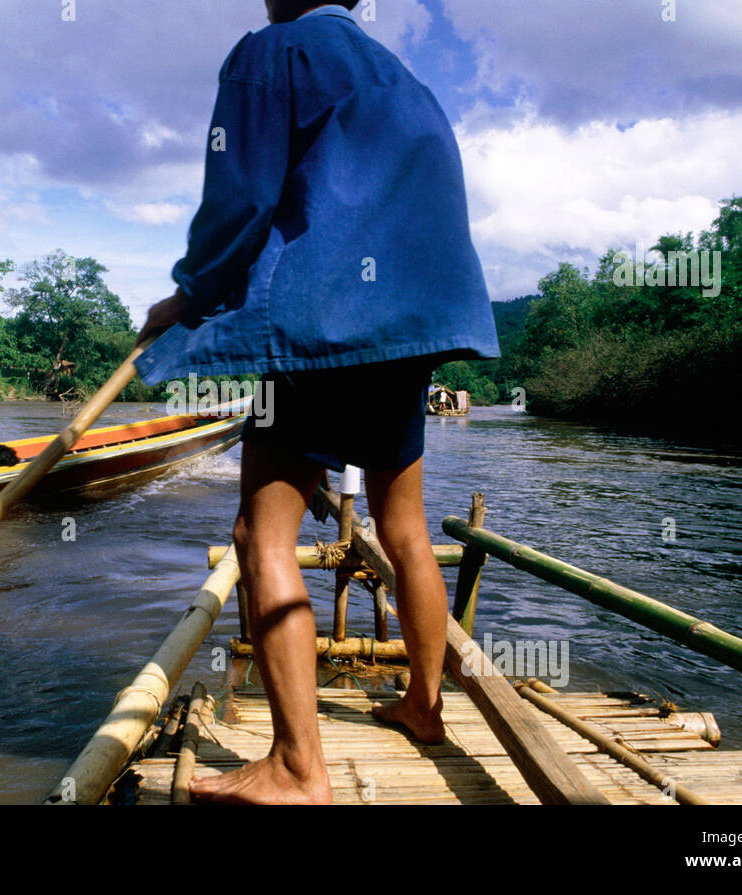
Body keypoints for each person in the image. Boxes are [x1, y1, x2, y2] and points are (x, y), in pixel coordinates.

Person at [135, 1, 499, 803]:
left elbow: (241, 199)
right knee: (403, 525)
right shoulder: (403, 79)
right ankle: (425, 707)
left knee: (260, 529)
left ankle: (299, 770)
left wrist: (188, 295)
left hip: (318, 324)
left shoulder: (274, 52)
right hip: (406, 329)